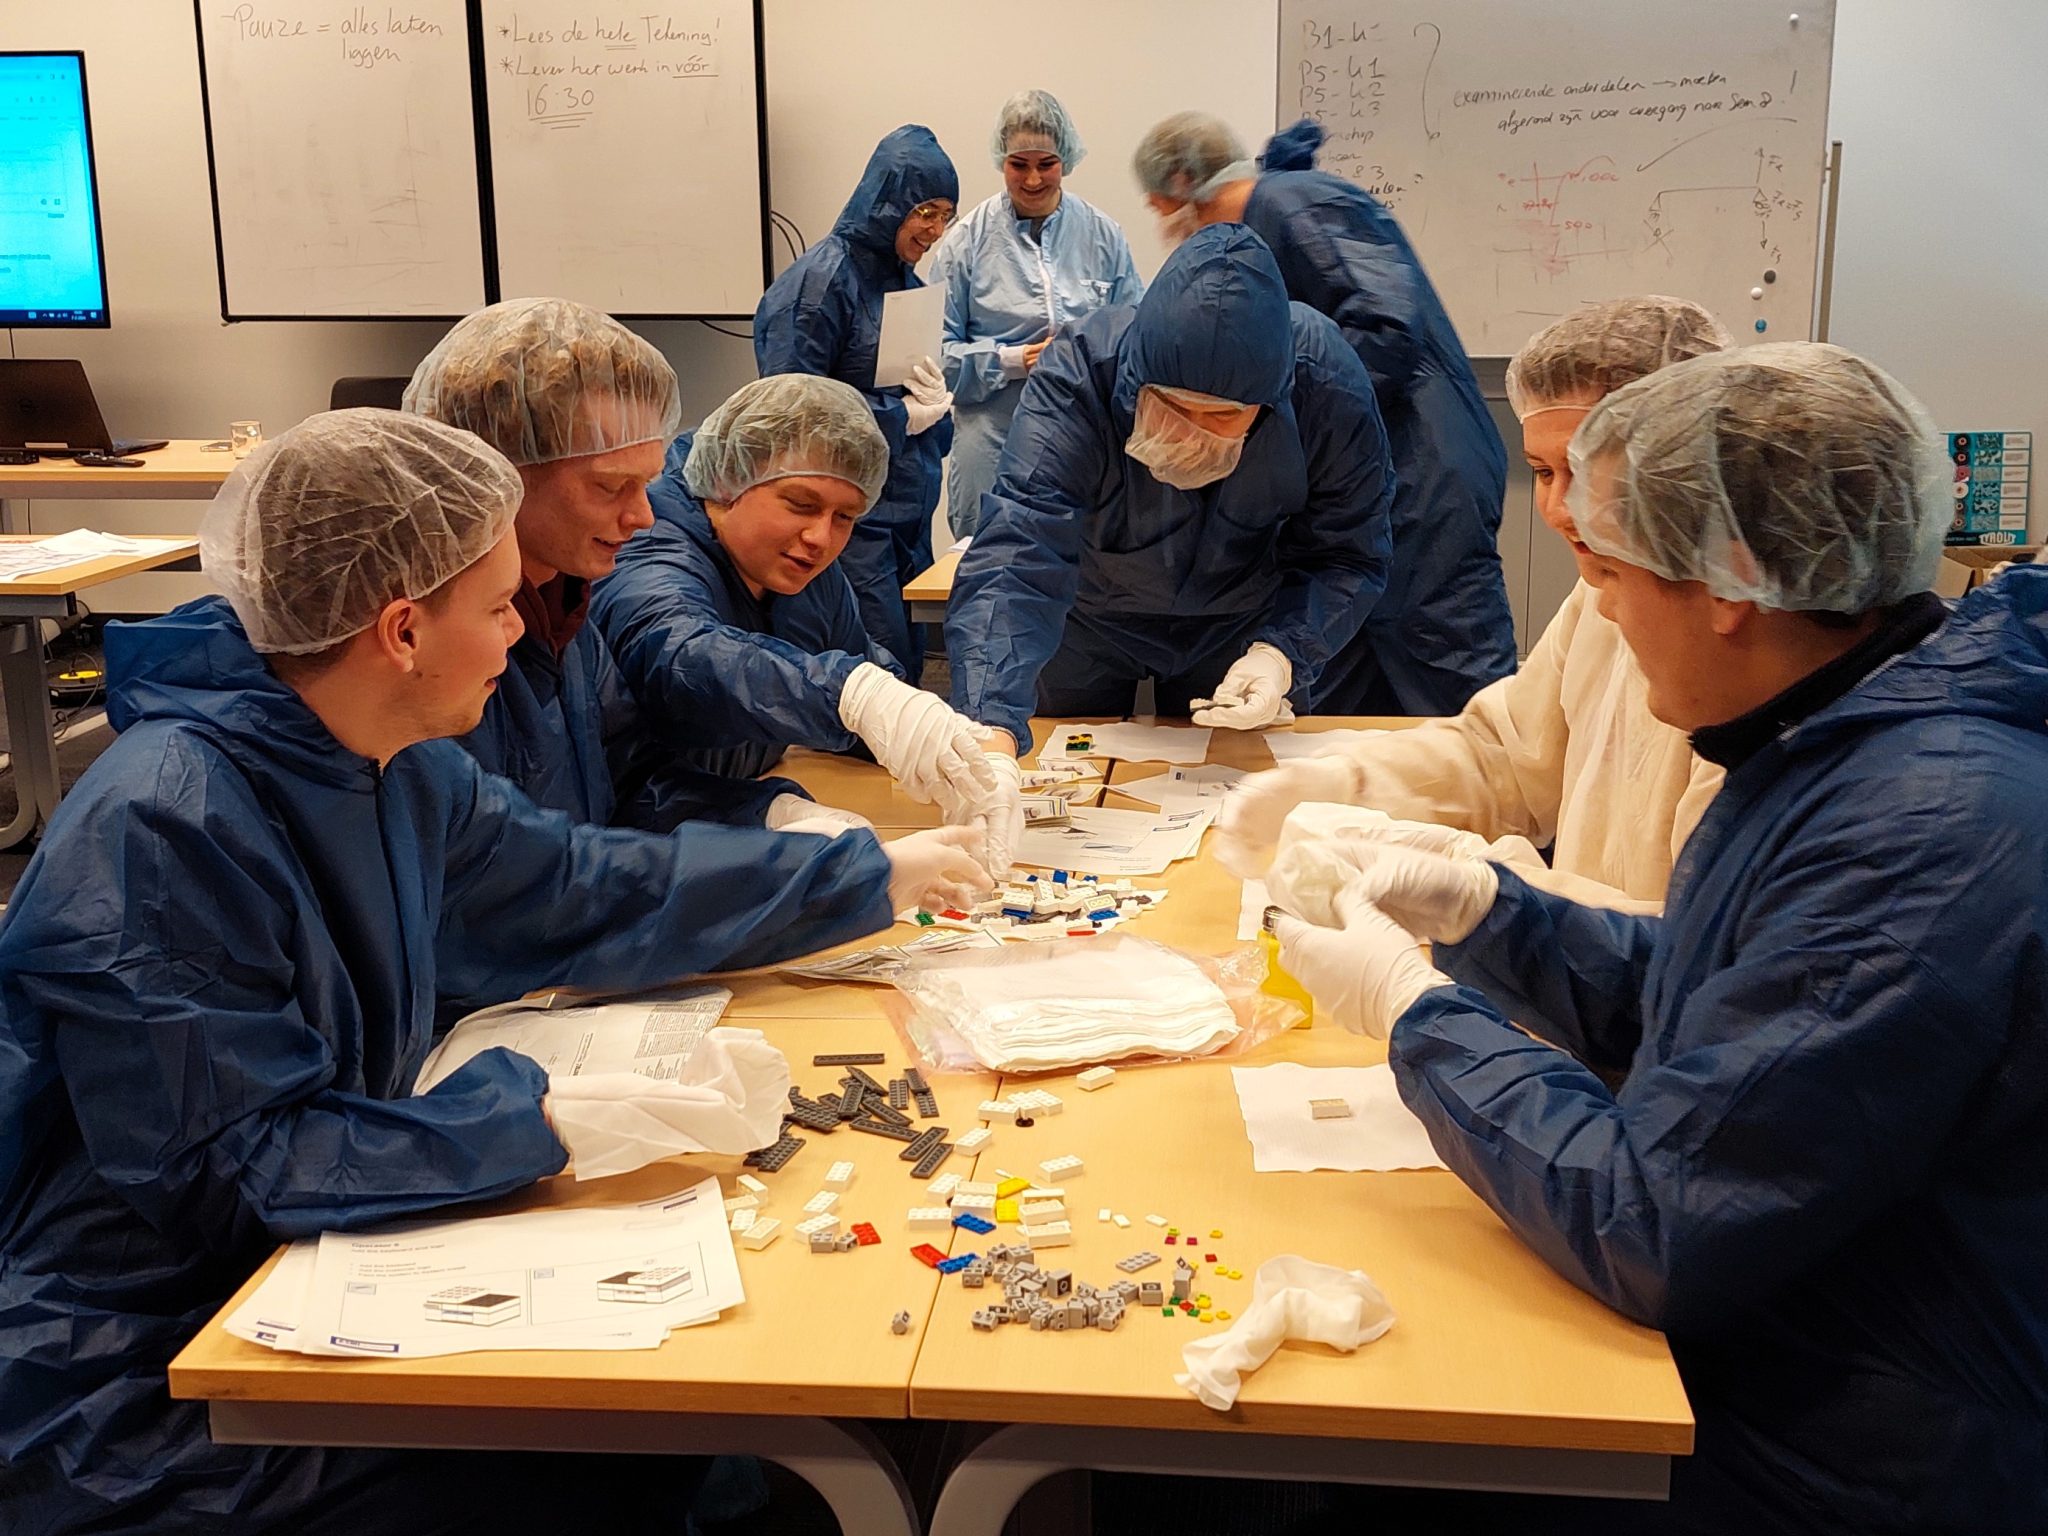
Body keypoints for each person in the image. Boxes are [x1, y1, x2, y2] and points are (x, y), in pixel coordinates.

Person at [0, 410, 991, 1535]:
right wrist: (541, 1124)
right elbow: (235, 1167)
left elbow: (580, 885)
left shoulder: (384, 760)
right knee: (634, 1457)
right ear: (401, 630)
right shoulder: (165, 828)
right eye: (497, 605)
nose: (522, 632)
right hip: (127, 1375)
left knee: (697, 1437)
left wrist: (868, 877)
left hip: (280, 1268)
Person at [1274, 344, 2048, 1533]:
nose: (1597, 603)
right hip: (1805, 1349)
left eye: (1615, 568)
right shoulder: (1842, 738)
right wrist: (1487, 917)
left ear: (1730, 583)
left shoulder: (1917, 834)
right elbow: (1726, 1014)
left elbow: (1655, 1221)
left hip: (1843, 1454)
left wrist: (1415, 1015)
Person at [1218, 296, 1732, 912]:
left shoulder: (1742, 657)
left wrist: (1469, 879)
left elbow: (1688, 947)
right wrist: (1346, 782)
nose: (1559, 509)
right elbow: (1509, 758)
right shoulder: (1601, 590)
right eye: (1543, 472)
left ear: (1682, 464)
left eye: (1588, 471)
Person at [1133, 113, 1515, 715]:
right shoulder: (1270, 226)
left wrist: (1274, 407)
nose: (1167, 228)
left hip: (1424, 482)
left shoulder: (1295, 203)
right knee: (1349, 697)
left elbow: (1387, 328)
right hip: (1373, 488)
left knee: (1454, 686)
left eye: (1161, 208)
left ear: (1186, 182)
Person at [402, 296, 792, 832]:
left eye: (647, 484)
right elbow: (517, 876)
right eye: (611, 486)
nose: (643, 516)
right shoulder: (429, 654)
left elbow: (629, 778)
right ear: (497, 472)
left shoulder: (563, 605)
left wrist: (769, 815)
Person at [592, 373, 999, 830]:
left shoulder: (799, 571)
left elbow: (858, 677)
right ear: (730, 481)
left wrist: (953, 746)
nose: (820, 538)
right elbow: (679, 655)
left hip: (733, 804)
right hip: (649, 837)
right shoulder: (650, 546)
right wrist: (850, 696)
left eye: (845, 516)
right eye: (802, 505)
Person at [754, 124, 959, 677]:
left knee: (909, 667)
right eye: (926, 212)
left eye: (946, 215)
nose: (936, 230)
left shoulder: (904, 283)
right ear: (890, 202)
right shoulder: (817, 286)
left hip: (903, 516)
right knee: (871, 671)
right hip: (846, 524)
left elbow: (902, 398)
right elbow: (793, 410)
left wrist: (937, 410)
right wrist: (899, 417)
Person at [926, 89, 1143, 539]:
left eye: (1046, 164)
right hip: (990, 436)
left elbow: (1134, 336)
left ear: (1066, 158)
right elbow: (933, 359)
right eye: (1018, 165)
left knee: (1084, 567)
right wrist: (1014, 360)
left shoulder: (1103, 236)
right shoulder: (965, 242)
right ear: (1000, 160)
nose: (1032, 180)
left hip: (1084, 431)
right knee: (986, 556)